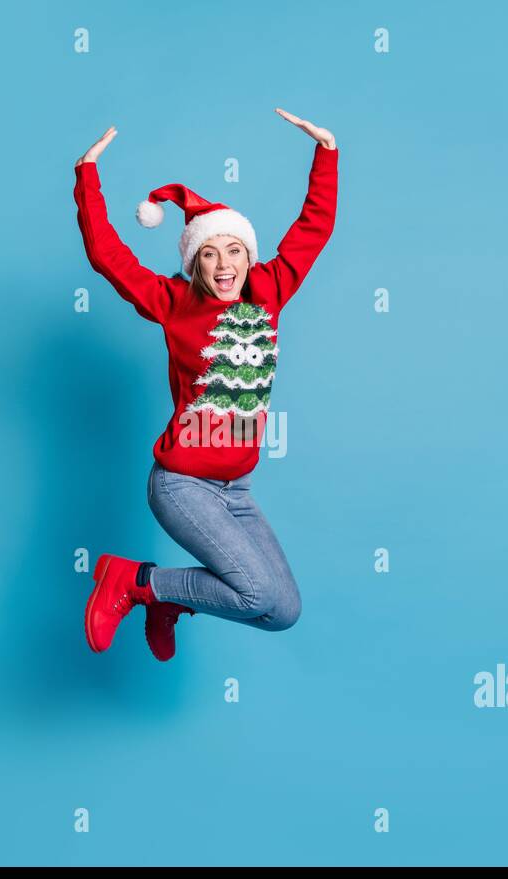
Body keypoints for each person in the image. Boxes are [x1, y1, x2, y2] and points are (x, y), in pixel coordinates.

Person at [73, 108, 338, 661]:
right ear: (194, 262)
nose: (223, 265)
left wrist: (326, 153)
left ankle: (166, 599)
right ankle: (135, 582)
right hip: (182, 485)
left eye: (234, 251)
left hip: (236, 491)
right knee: (256, 590)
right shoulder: (174, 305)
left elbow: (314, 229)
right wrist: (87, 176)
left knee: (282, 610)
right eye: (209, 254)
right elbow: (108, 257)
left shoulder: (269, 290)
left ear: (249, 256)